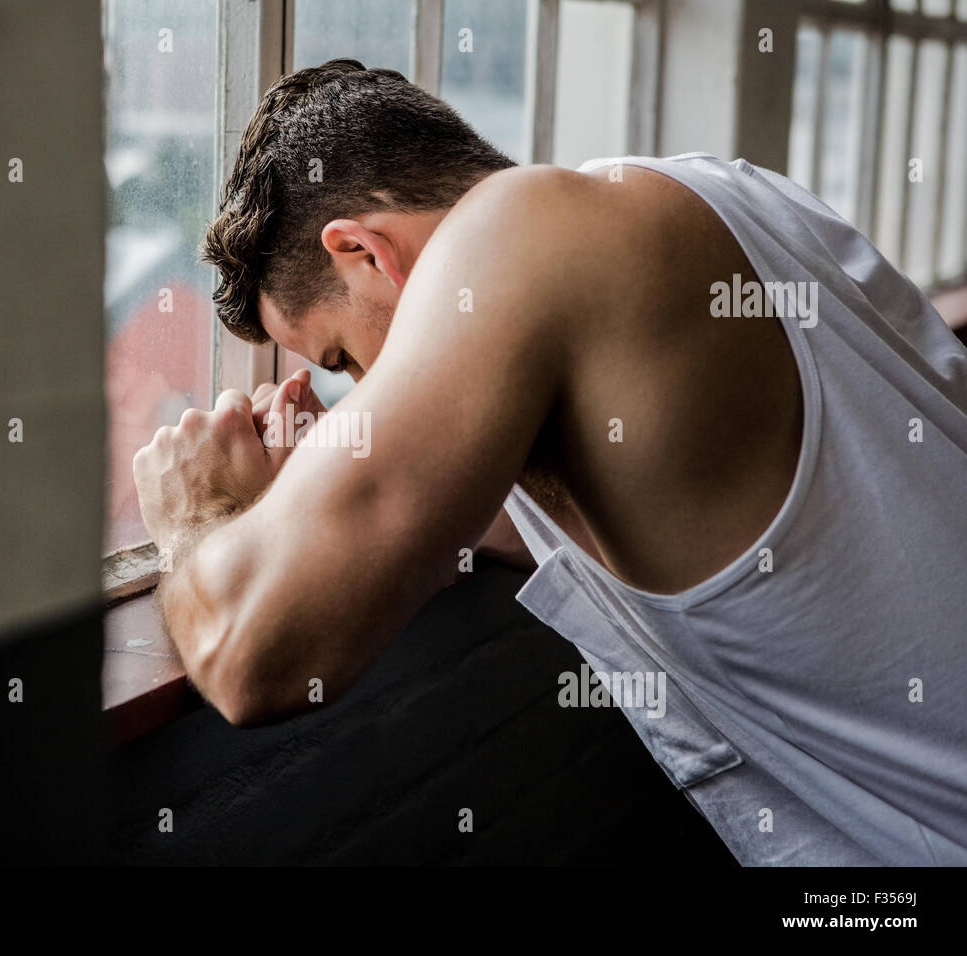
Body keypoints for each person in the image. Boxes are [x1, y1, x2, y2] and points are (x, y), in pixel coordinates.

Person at [131, 59, 967, 865]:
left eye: (343, 358)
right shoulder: (709, 193)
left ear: (366, 253)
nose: (362, 388)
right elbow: (502, 509)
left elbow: (253, 653)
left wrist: (192, 511)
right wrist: (317, 490)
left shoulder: (522, 231)